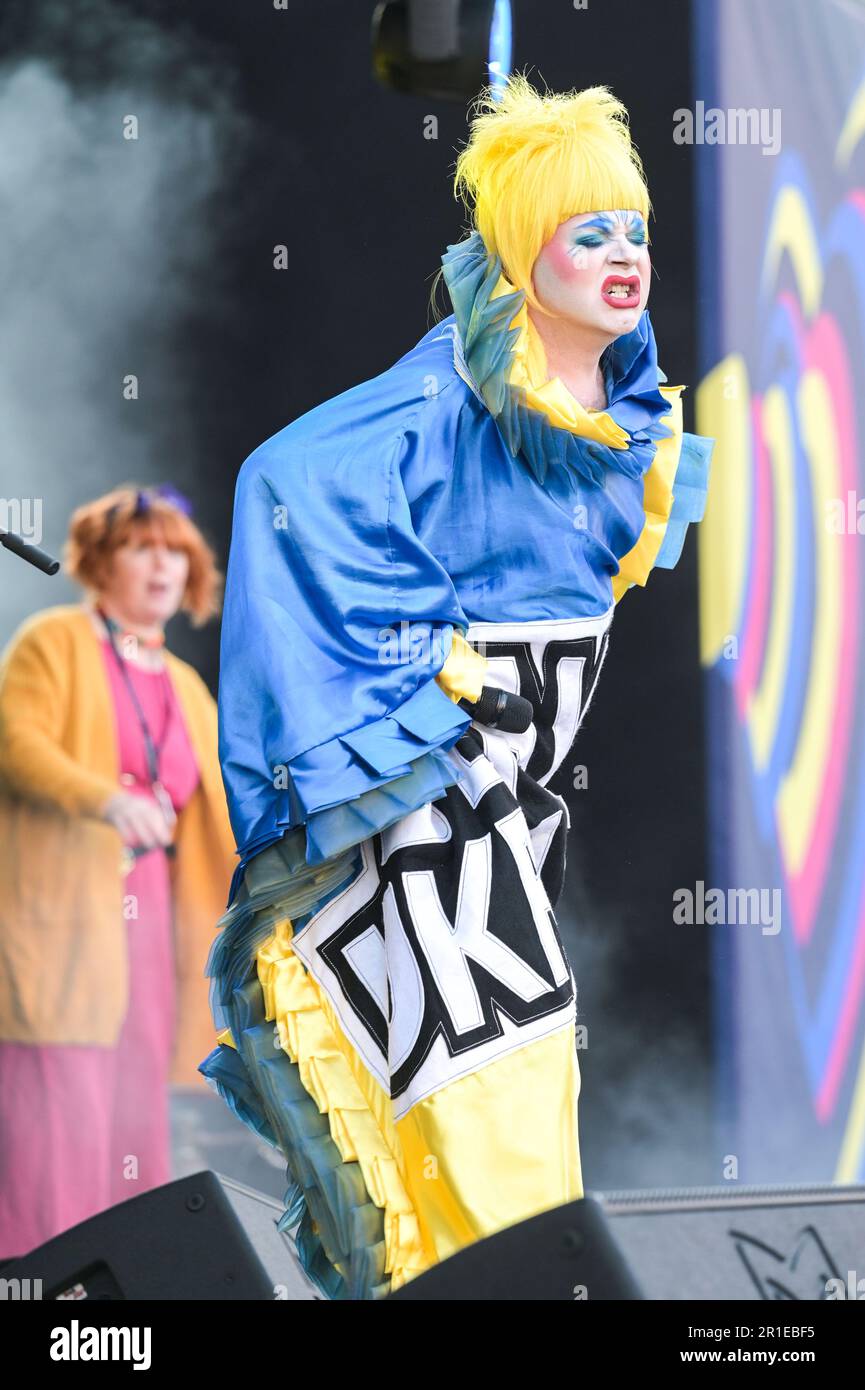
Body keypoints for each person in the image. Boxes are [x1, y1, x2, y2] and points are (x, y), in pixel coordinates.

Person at [201, 75, 715, 1299]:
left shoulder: (618, 416)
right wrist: (422, 673)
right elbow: (284, 481)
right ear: (519, 251)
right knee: (497, 1072)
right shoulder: (452, 393)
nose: (622, 253)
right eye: (586, 231)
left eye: (633, 229)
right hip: (430, 796)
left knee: (483, 1085)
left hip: (509, 802)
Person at [0, 484, 236, 1257]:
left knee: (135, 1122)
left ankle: (120, 1290)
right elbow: (15, 744)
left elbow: (227, 824)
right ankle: (36, 1291)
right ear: (102, 562)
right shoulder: (53, 642)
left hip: (153, 938)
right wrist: (104, 800)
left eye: (175, 551)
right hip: (61, 926)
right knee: (57, 1118)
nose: (161, 565)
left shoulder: (190, 689)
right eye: (142, 547)